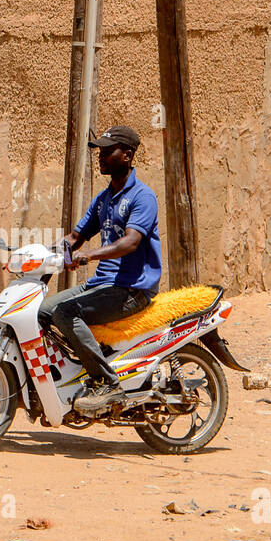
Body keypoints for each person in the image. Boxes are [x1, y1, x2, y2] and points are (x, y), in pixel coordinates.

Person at [39, 124, 162, 413]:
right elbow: (74, 237)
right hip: (102, 285)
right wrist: (45, 253)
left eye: (108, 151)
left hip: (131, 289)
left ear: (127, 155)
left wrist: (88, 255)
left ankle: (107, 383)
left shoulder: (142, 197)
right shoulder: (104, 199)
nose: (101, 156)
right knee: (42, 311)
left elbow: (130, 242)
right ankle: (71, 374)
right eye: (99, 151)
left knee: (65, 312)